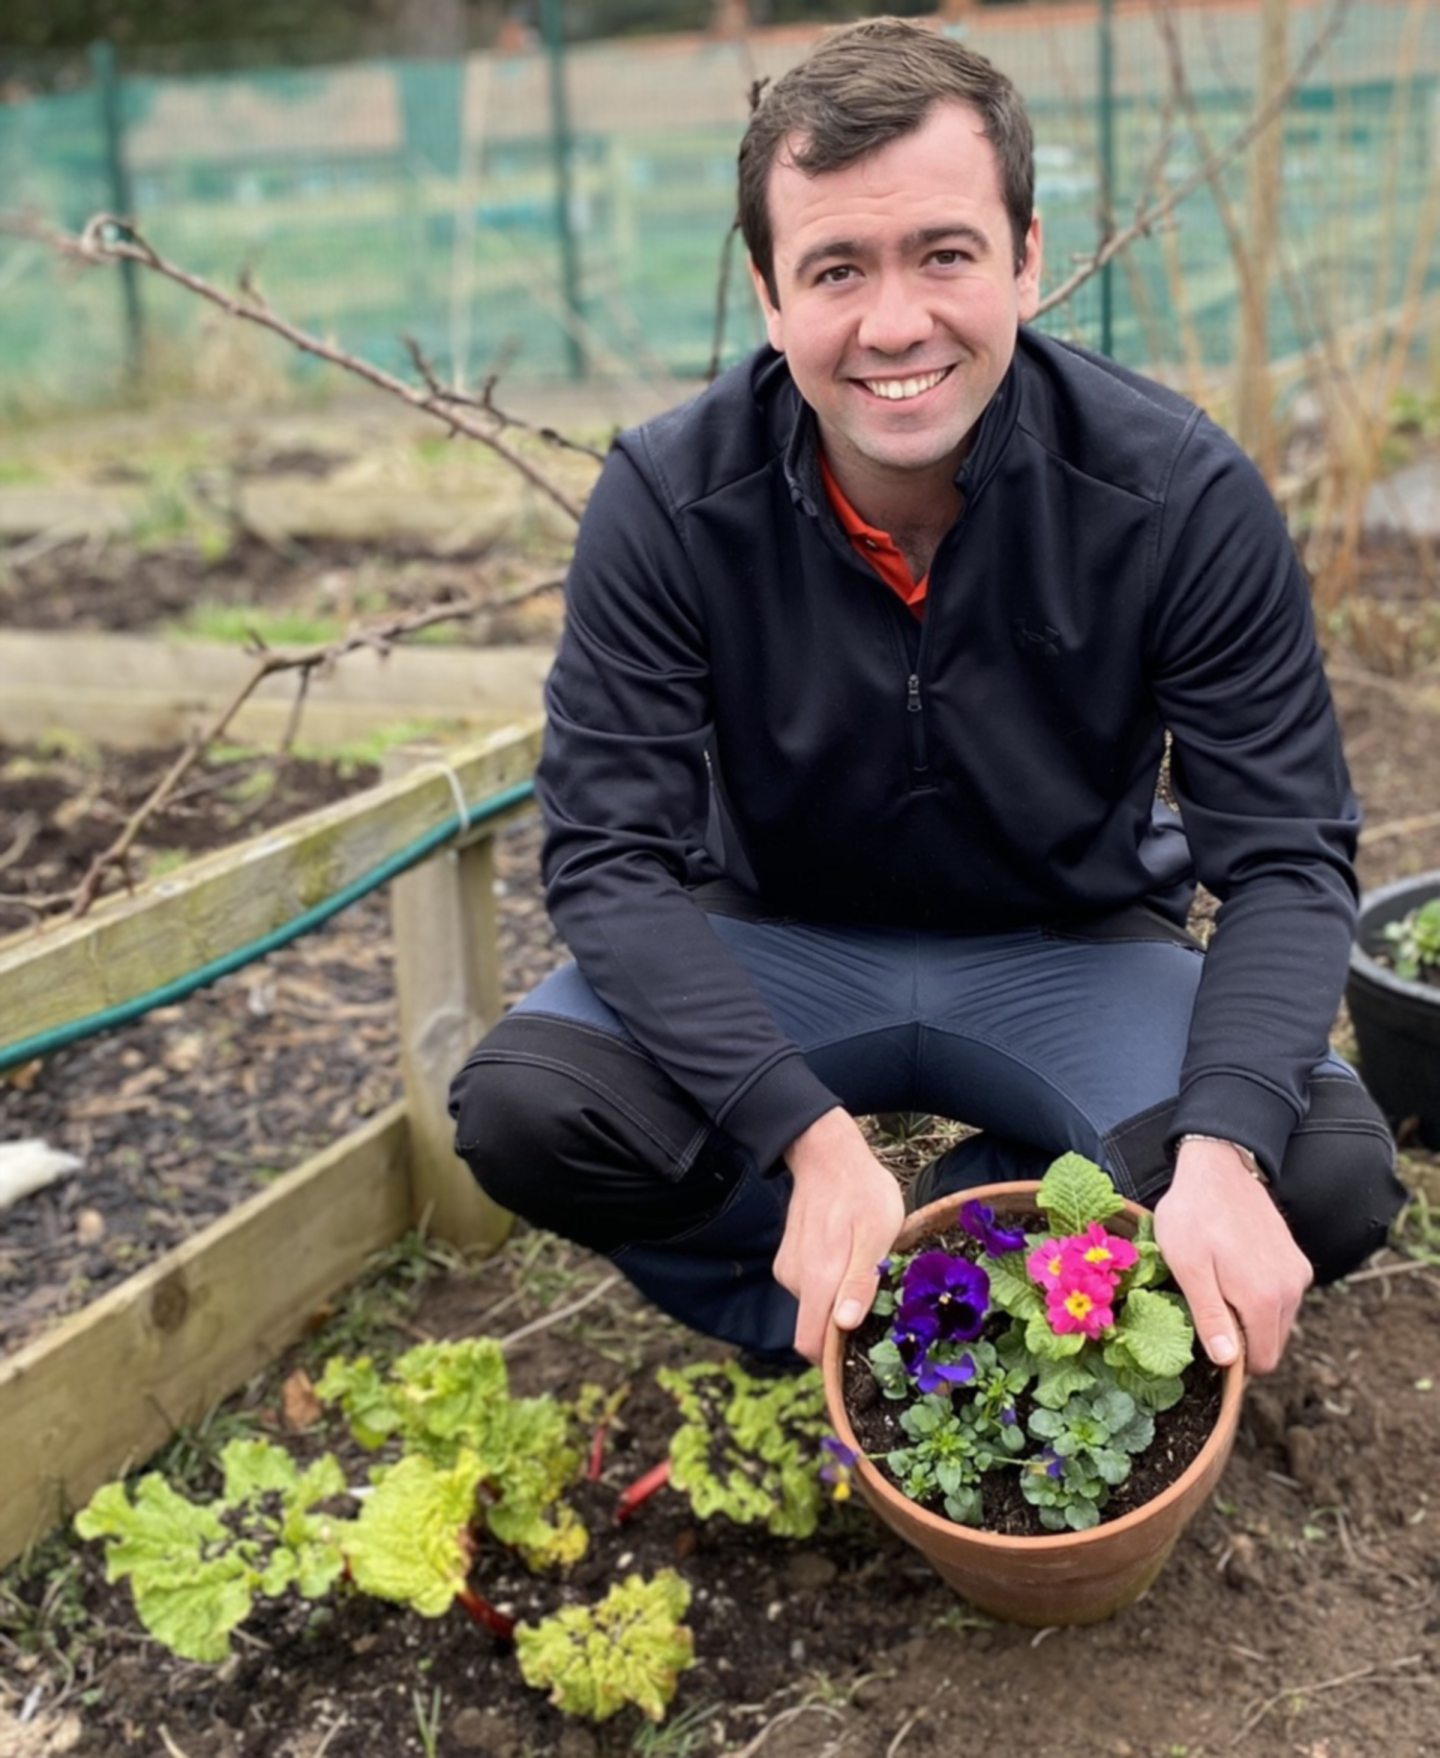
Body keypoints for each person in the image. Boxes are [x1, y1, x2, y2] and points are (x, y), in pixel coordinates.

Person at [449, 17, 1405, 1378]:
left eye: (945, 254)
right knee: (534, 1107)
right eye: (837, 268)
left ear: (1025, 258)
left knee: (1319, 1171)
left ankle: (988, 1234)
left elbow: (1288, 856)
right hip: (781, 937)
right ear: (770, 294)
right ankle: (853, 1317)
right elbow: (608, 860)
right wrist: (807, 1140)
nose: (894, 323)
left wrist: (1221, 1151)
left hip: (1073, 947)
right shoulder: (668, 499)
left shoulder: (1176, 494)